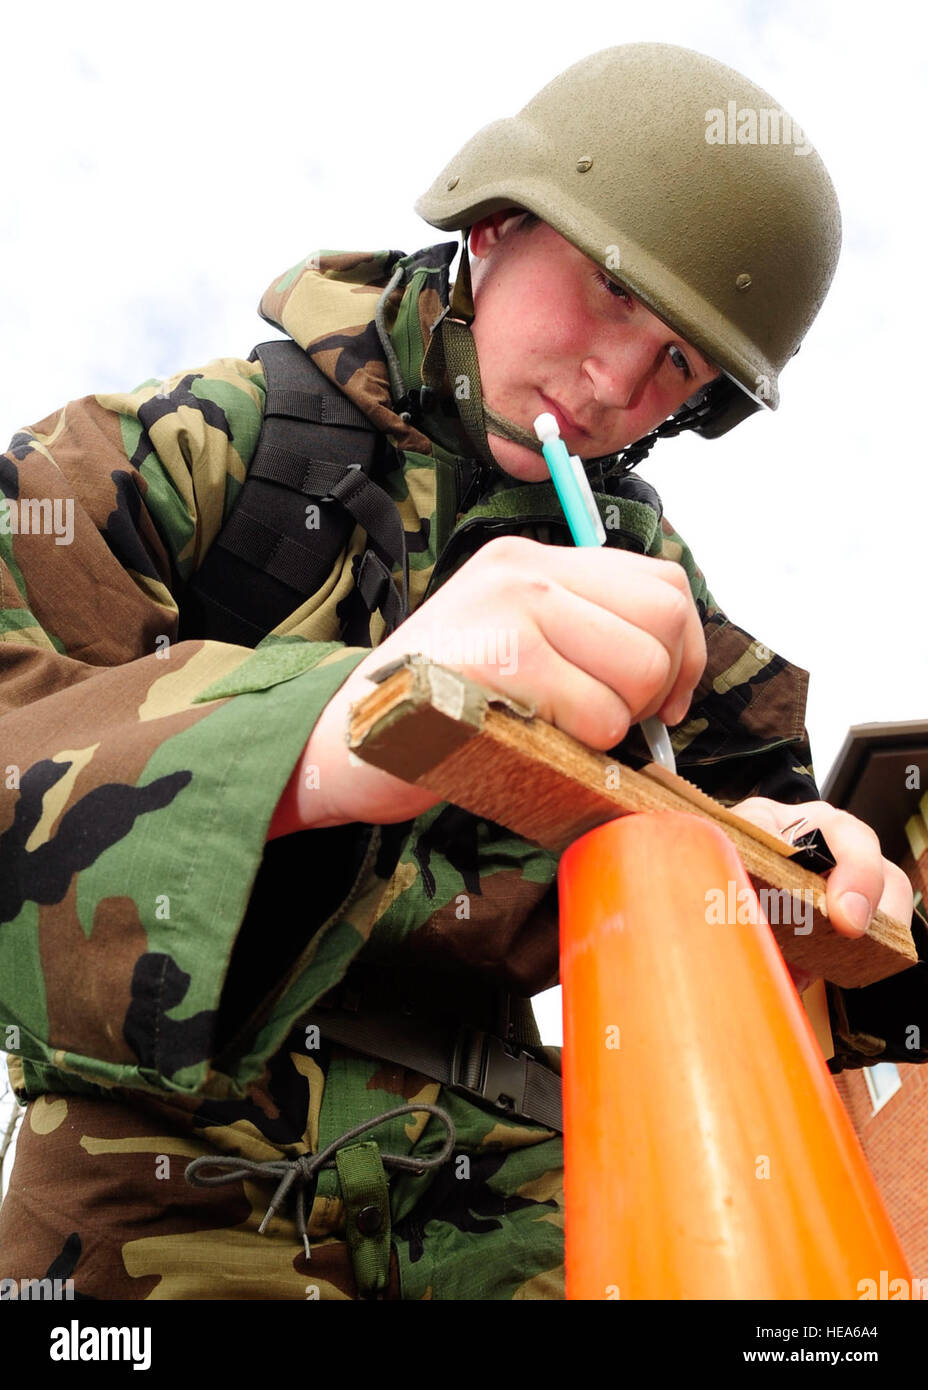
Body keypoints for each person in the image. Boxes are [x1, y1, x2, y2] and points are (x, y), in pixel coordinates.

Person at [0, 42, 919, 1301]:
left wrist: (783, 861)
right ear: (493, 225)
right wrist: (331, 730)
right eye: (606, 293)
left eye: (677, 367)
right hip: (164, 1172)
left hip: (525, 1191)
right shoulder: (180, 455)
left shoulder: (650, 584)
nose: (611, 387)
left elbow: (767, 856)